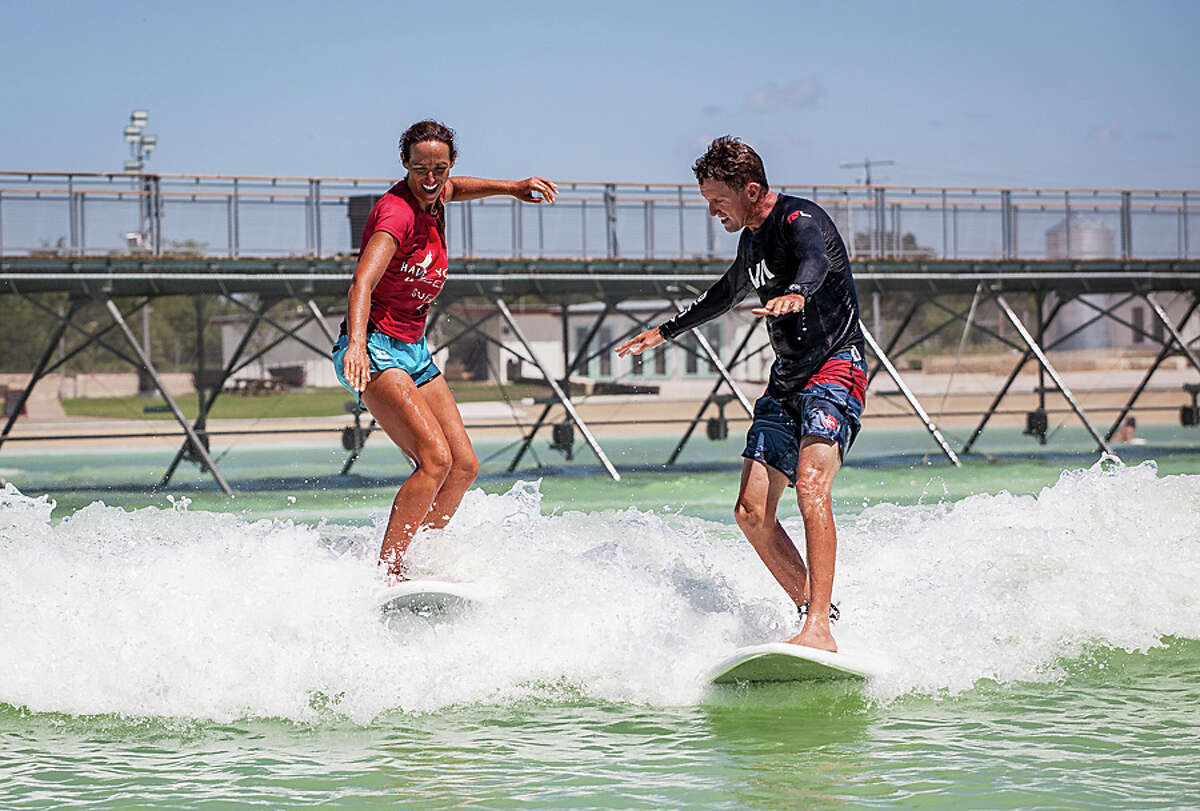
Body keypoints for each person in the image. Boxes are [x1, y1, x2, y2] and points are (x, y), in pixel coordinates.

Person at [616, 136, 865, 652]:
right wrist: (662, 332)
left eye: (718, 201)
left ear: (751, 190)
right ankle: (815, 611)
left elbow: (815, 262)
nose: (712, 212)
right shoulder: (750, 242)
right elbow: (725, 293)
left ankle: (819, 627)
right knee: (751, 511)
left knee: (811, 486)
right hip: (787, 381)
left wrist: (798, 292)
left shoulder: (802, 222)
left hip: (836, 366)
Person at [333, 119, 557, 582]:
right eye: (420, 169)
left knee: (464, 466)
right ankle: (389, 572)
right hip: (374, 348)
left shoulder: (436, 196)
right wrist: (356, 343)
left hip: (414, 350)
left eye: (439, 168)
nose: (430, 178)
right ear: (404, 165)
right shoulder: (397, 213)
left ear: (450, 164)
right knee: (434, 459)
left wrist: (512, 188)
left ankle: (422, 555)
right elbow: (363, 281)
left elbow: (458, 188)